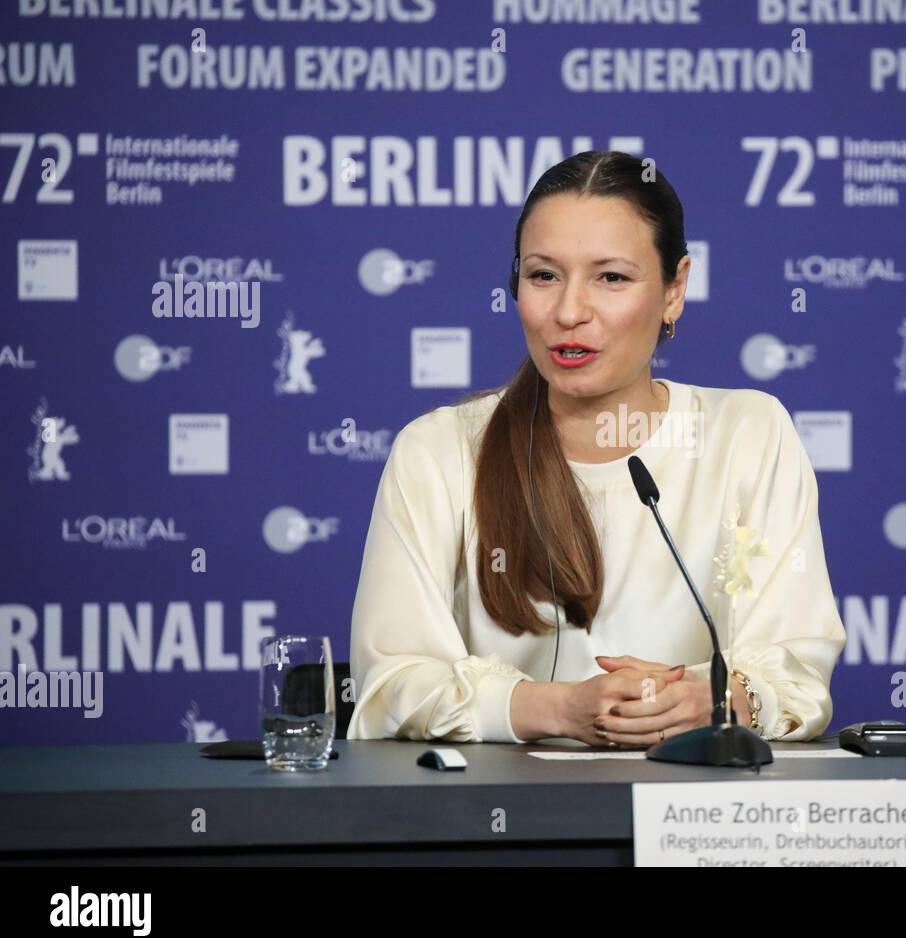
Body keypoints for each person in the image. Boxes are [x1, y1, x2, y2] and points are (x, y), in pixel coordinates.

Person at [347, 150, 845, 747]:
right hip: (499, 822)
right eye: (543, 275)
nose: (569, 312)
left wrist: (713, 698)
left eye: (611, 277)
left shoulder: (749, 434)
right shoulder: (438, 451)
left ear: (674, 289)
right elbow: (389, 685)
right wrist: (558, 710)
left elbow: (795, 673)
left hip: (698, 823)